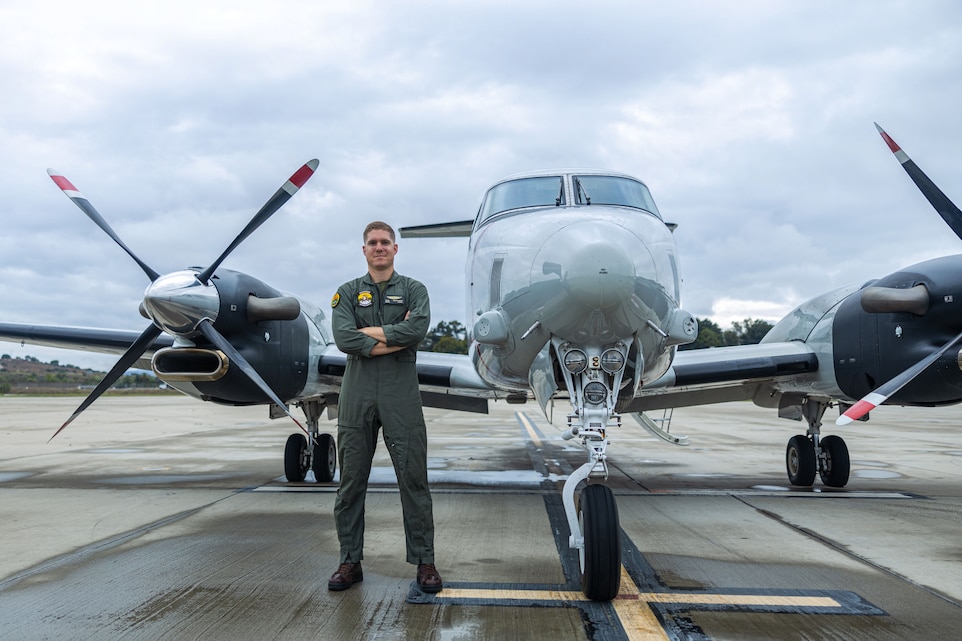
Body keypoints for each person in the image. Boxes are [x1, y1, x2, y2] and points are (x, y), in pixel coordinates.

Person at [327, 220, 442, 593]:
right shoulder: (346, 293)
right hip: (357, 391)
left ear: (395, 249)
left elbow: (418, 329)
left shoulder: (413, 290)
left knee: (413, 479)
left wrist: (371, 334)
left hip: (400, 391)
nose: (379, 247)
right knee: (350, 482)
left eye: (385, 242)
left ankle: (425, 562)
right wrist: (396, 336)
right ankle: (349, 561)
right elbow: (344, 338)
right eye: (373, 243)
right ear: (364, 250)